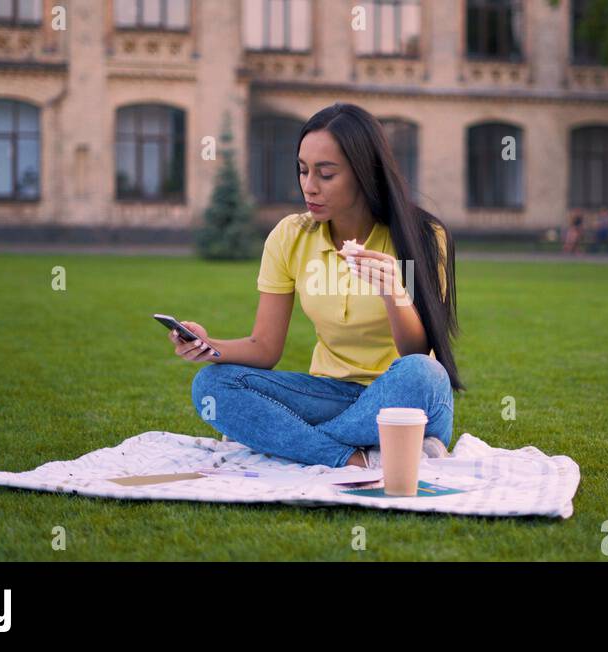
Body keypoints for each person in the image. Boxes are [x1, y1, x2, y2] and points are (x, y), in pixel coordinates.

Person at [171, 102, 461, 470]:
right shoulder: (290, 236)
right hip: (330, 393)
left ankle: (293, 439)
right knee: (211, 385)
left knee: (424, 373)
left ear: (363, 173)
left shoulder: (423, 235)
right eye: (303, 170)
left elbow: (417, 352)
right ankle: (353, 457)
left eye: (326, 174)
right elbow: (264, 348)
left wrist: (394, 293)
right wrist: (207, 346)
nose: (309, 186)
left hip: (407, 399)